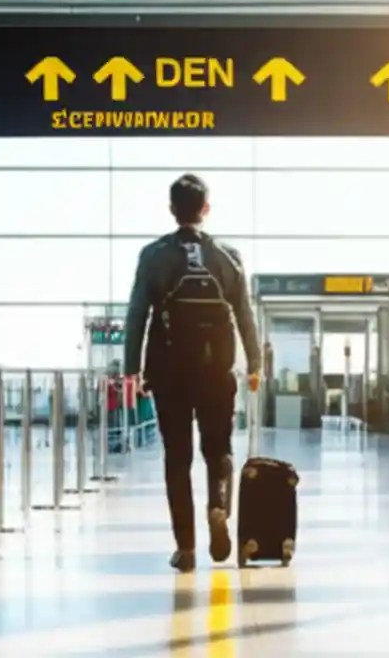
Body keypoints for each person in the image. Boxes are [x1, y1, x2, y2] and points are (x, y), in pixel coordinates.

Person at [124, 173, 261, 573]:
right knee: (218, 450)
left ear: (172, 209)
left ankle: (185, 548)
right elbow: (244, 313)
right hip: (217, 370)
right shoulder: (227, 256)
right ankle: (218, 506)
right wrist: (254, 361)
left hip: (169, 371)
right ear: (205, 209)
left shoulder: (153, 255)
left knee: (177, 457)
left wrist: (132, 369)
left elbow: (137, 315)